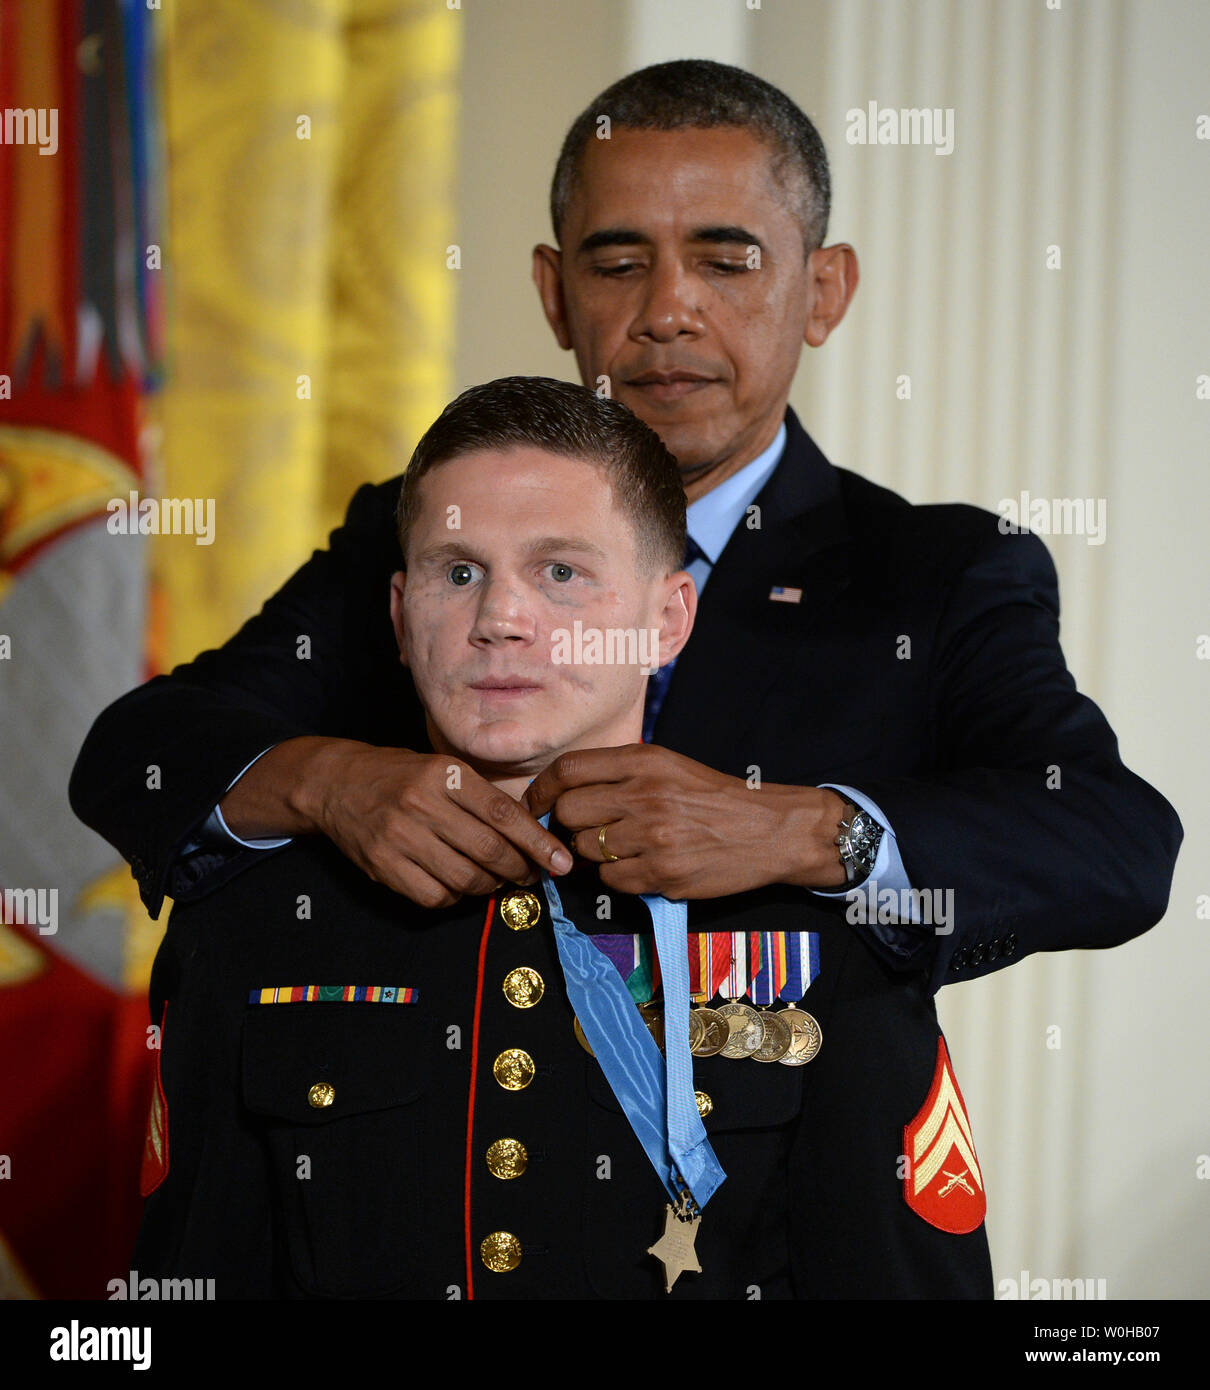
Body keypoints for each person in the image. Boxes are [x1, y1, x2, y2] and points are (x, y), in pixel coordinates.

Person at [73, 61, 1181, 1297]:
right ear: (552, 293)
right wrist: (327, 780)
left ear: (824, 290)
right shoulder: (423, 529)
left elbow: (1113, 842)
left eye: (725, 259)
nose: (666, 310)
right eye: (615, 262)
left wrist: (802, 827)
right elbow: (144, 747)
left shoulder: (929, 575)